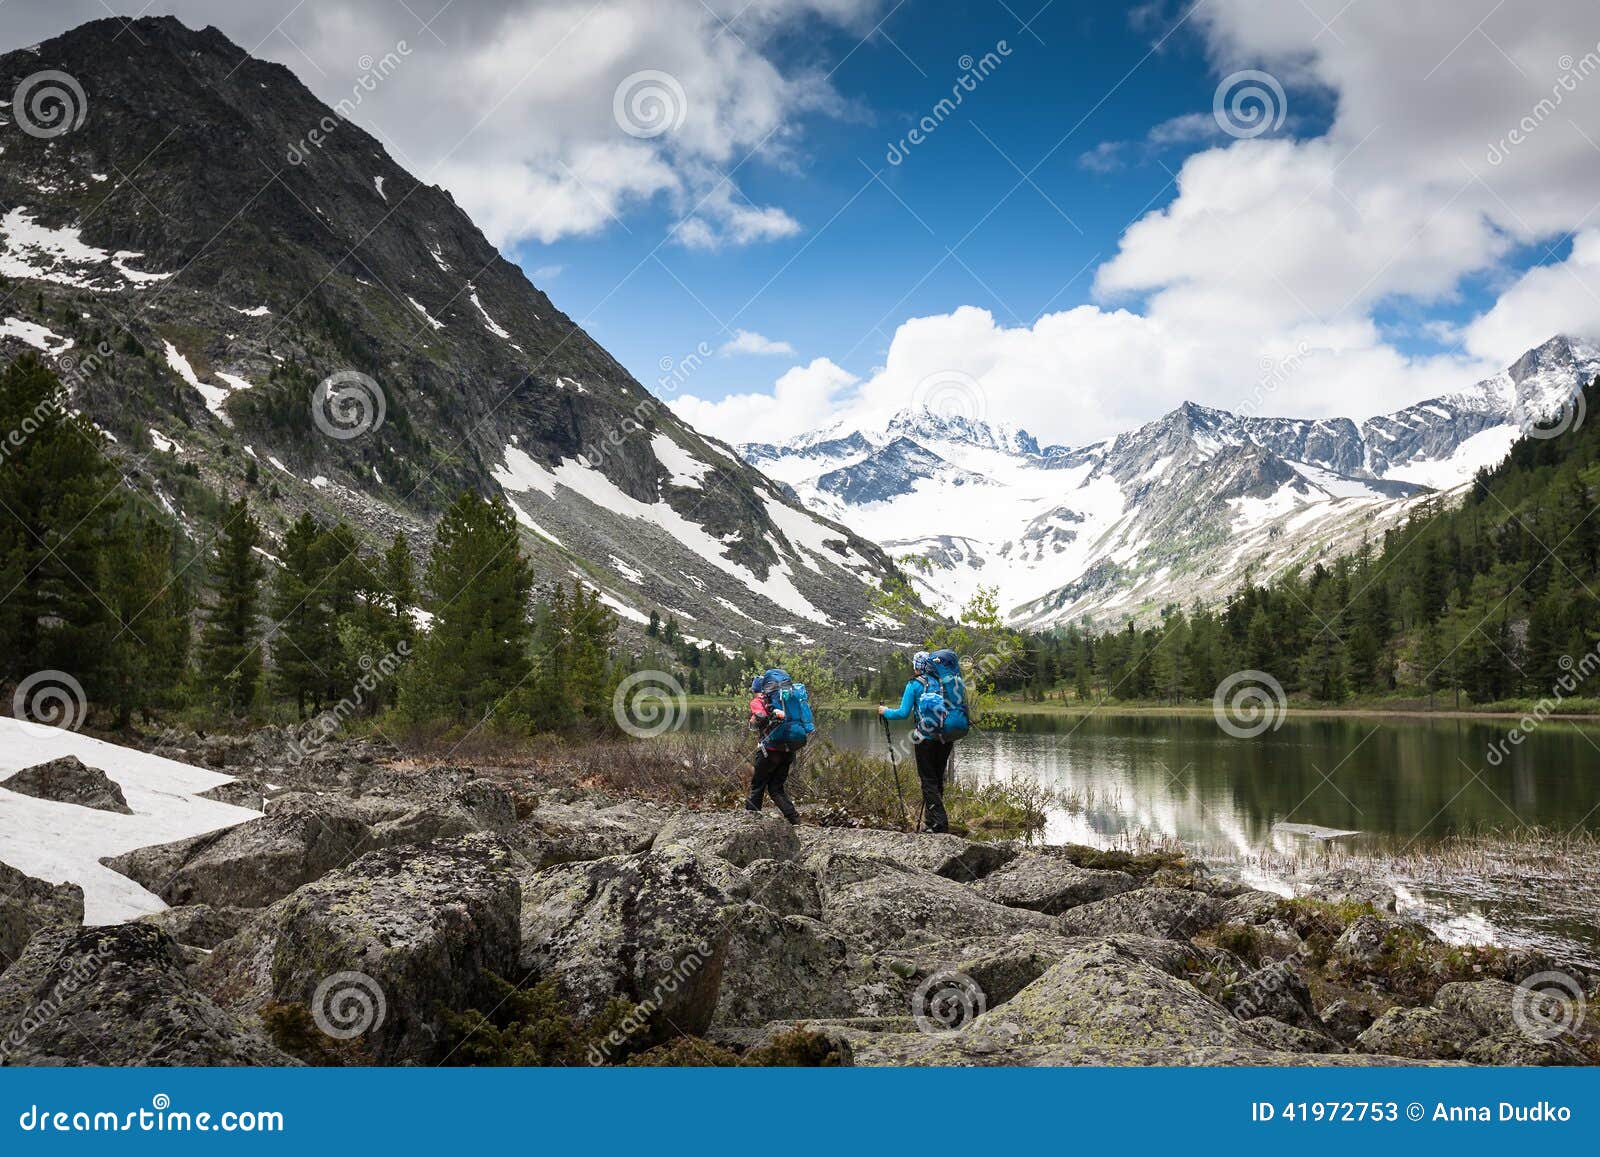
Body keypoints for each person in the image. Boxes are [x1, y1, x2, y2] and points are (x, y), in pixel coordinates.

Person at [878, 651, 955, 833]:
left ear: (918, 666)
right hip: (945, 738)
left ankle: (940, 822)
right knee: (937, 780)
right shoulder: (945, 683)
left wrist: (885, 711)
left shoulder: (914, 685)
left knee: (928, 781)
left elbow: (903, 713)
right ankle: (932, 822)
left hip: (924, 739)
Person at [746, 681, 801, 825]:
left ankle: (751, 820)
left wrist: (753, 721)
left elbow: (761, 717)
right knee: (776, 788)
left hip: (769, 751)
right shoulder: (785, 700)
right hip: (788, 750)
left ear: (756, 690)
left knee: (757, 786)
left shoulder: (758, 701)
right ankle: (794, 819)